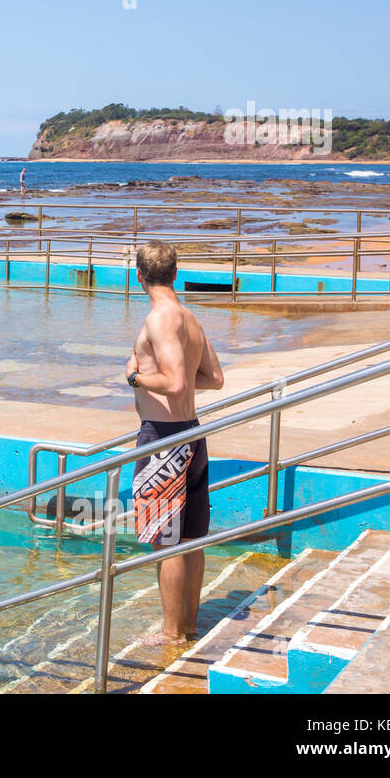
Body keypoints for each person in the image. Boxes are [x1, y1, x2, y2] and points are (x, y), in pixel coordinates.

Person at [124, 240, 224, 646]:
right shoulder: (189, 318)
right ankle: (188, 626)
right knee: (191, 539)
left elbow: (177, 381)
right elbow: (213, 378)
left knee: (167, 542)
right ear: (176, 273)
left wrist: (135, 376)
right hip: (191, 435)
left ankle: (170, 634)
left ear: (139, 277)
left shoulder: (160, 319)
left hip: (163, 440)